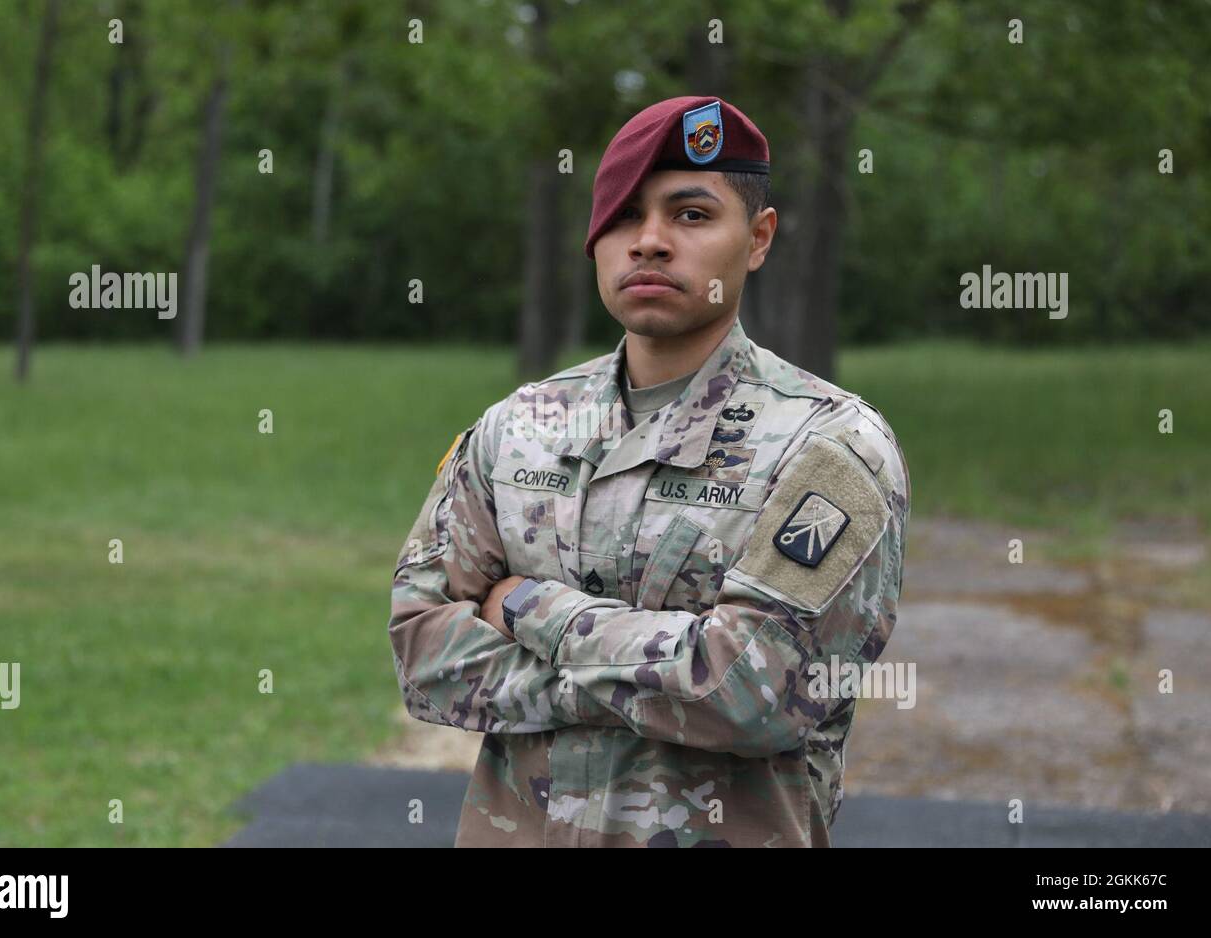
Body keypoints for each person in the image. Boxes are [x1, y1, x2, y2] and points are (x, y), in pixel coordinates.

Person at [389, 95, 910, 847]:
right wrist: (667, 668)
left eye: (691, 214)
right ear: (596, 240)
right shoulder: (520, 428)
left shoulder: (829, 444)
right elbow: (423, 657)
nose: (651, 242)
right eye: (625, 217)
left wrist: (530, 608)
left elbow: (750, 690)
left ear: (758, 238)